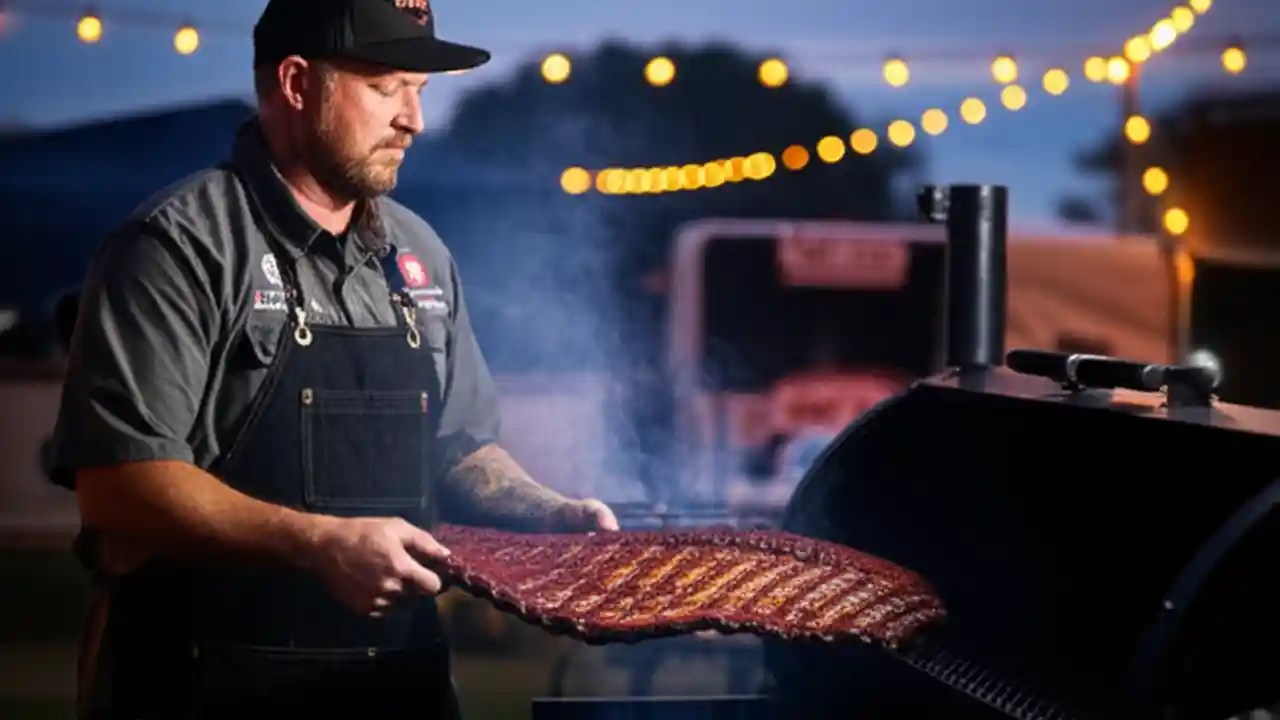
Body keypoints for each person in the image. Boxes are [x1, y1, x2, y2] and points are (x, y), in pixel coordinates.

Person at [49, 0, 618, 717]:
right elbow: (121, 488)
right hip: (206, 685)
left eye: (420, 91)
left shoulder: (420, 256)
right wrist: (321, 545)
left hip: (397, 686)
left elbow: (460, 449)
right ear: (296, 83)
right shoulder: (179, 247)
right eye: (387, 89)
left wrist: (550, 513)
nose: (413, 118)